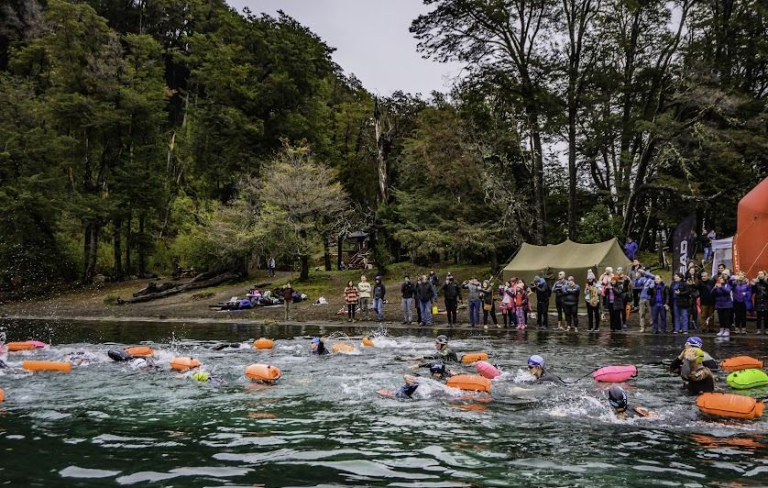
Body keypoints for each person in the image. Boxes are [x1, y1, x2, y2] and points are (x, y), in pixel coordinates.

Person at [635, 268, 653, 332]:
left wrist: (644, 272)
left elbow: (653, 276)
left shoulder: (653, 278)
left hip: (649, 298)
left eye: (647, 271)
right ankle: (642, 327)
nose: (645, 272)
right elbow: (636, 285)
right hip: (642, 298)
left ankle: (652, 326)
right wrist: (637, 278)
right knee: (642, 314)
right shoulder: (643, 279)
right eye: (645, 271)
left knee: (651, 313)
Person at [753, 270, 768, 335]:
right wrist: (754, 284)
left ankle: (766, 330)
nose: (760, 275)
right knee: (758, 317)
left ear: (764, 275)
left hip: (766, 301)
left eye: (761, 274)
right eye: (759, 274)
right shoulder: (757, 282)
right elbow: (754, 291)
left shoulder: (767, 281)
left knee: (766, 317)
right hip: (758, 301)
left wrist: (764, 280)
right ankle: (758, 330)